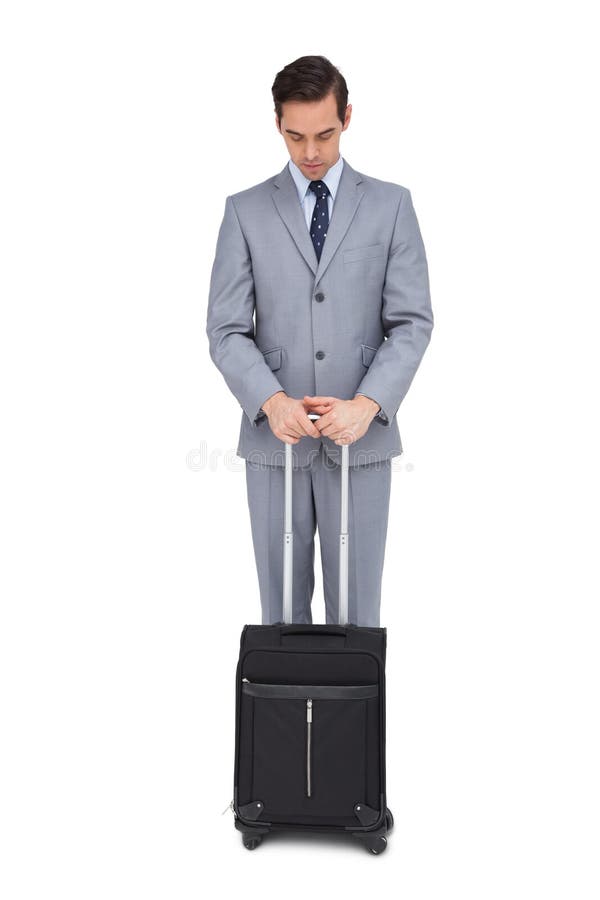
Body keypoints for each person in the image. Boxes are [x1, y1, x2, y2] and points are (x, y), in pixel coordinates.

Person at [206, 55, 433, 627]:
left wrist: (368, 404)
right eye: (295, 136)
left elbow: (412, 321)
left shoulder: (391, 205)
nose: (310, 152)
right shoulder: (244, 211)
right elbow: (225, 328)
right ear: (277, 124)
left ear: (347, 117)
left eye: (325, 135)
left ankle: (353, 698)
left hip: (361, 436)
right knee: (281, 617)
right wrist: (270, 401)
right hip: (275, 439)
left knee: (356, 617)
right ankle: (284, 698)